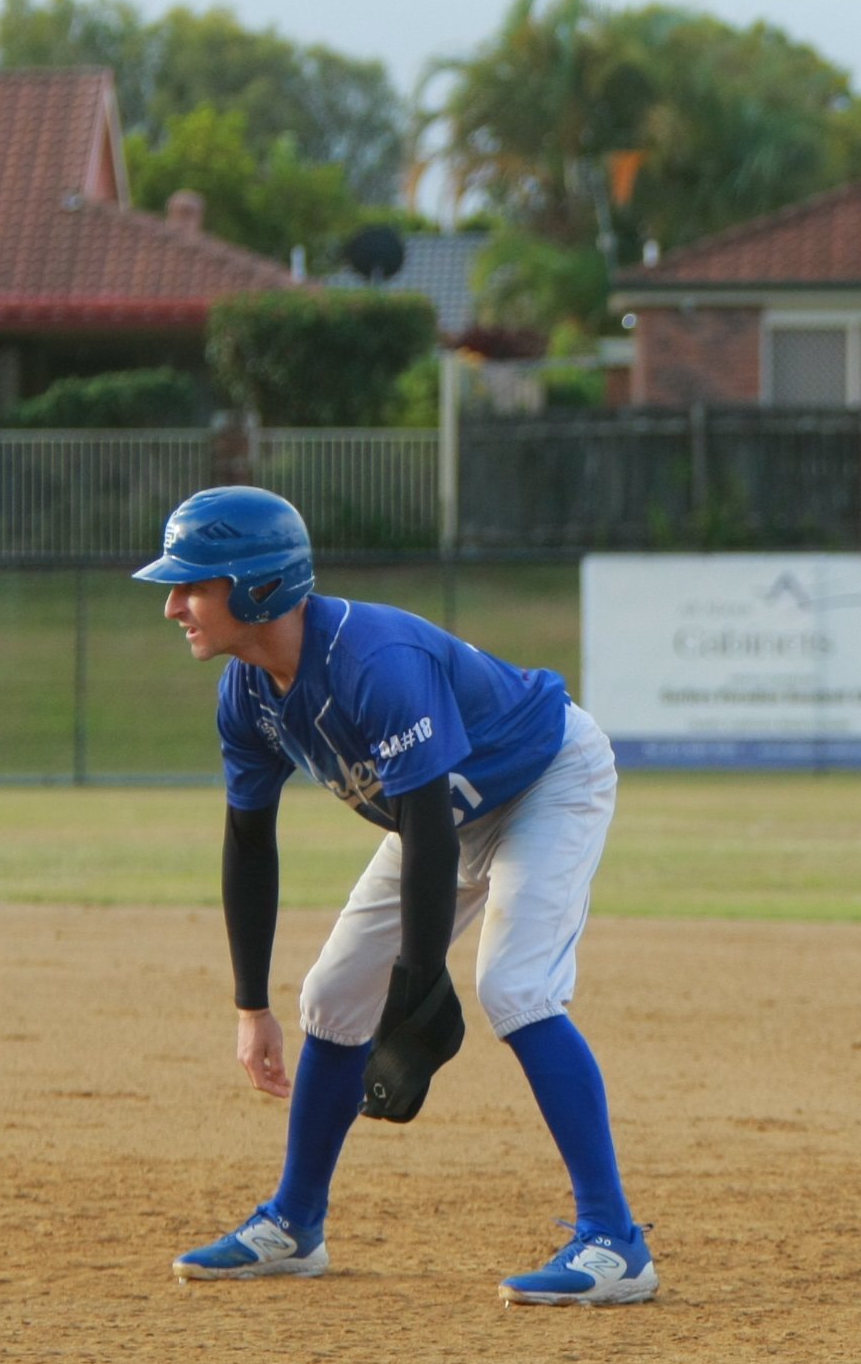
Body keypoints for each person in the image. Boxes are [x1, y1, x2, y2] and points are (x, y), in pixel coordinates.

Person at [135, 486, 655, 1306]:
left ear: (258, 587)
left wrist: (418, 981)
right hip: (443, 812)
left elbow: (427, 823)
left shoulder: (372, 662)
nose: (173, 606)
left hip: (544, 779)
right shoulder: (247, 694)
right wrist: (250, 1006)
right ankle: (295, 1224)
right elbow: (248, 842)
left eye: (193, 584)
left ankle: (615, 1241)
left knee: (515, 987)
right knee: (334, 996)